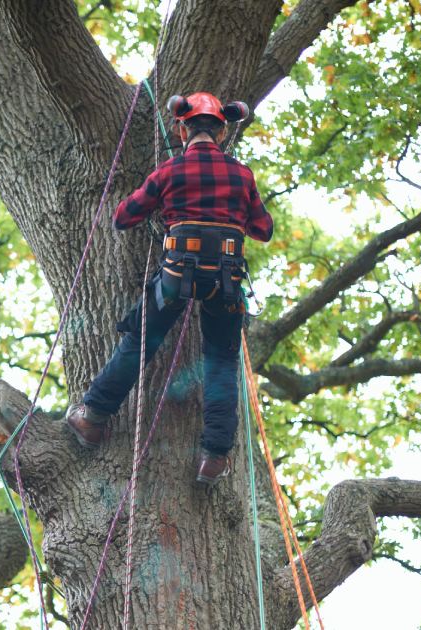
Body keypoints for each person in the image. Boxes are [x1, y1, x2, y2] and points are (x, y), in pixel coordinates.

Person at [65, 92, 274, 485]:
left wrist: (168, 206)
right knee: (221, 363)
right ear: (222, 130)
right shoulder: (241, 174)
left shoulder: (169, 171)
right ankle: (214, 456)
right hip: (227, 281)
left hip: (177, 275)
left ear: (181, 128)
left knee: (139, 342)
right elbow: (263, 229)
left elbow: (123, 218)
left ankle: (92, 417)